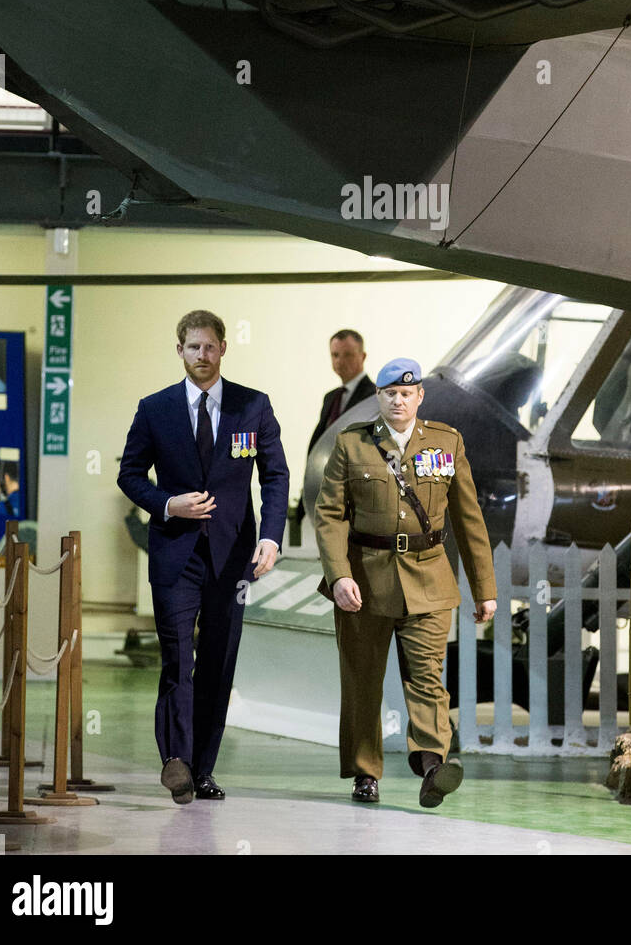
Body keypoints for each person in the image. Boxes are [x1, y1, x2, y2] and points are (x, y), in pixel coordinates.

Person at [117, 309, 289, 804]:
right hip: (175, 554)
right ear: (180, 351)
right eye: (193, 347)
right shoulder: (155, 409)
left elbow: (275, 476)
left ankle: (202, 768)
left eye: (210, 346)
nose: (202, 355)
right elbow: (130, 474)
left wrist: (271, 537)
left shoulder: (252, 406)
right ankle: (175, 761)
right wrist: (168, 504)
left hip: (232, 558)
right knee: (177, 657)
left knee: (218, 661)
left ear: (223, 349)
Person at [314, 357, 497, 809]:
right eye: (389, 393)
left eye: (406, 393)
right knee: (362, 682)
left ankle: (432, 765)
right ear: (378, 398)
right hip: (365, 580)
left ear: (419, 397)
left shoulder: (446, 442)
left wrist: (485, 588)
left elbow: (469, 519)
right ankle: (364, 773)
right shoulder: (351, 444)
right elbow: (330, 516)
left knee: (427, 678)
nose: (398, 400)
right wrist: (339, 576)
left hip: (429, 577)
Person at [295, 329, 376, 529]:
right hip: (327, 493)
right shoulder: (331, 398)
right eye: (335, 355)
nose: (340, 361)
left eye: (348, 354)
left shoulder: (376, 398)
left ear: (363, 356)